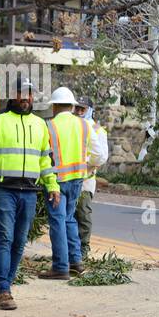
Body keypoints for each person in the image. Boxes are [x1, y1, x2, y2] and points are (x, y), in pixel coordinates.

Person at [0, 80, 61, 310]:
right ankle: (3, 290)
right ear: (13, 95)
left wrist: (53, 186)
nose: (25, 97)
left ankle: (7, 282)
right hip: (3, 190)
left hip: (29, 192)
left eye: (29, 93)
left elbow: (46, 161)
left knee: (19, 241)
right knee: (4, 238)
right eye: (21, 93)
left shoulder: (39, 124)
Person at [41, 86, 91, 279]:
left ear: (54, 107)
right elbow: (94, 154)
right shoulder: (85, 125)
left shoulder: (50, 126)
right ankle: (76, 262)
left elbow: (44, 155)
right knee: (69, 218)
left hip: (57, 180)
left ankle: (61, 267)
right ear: (71, 105)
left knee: (58, 221)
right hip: (77, 178)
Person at [73, 99, 109, 262]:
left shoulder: (96, 130)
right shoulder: (72, 125)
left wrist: (85, 162)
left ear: (90, 110)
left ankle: (83, 249)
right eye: (78, 108)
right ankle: (72, 249)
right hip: (69, 177)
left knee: (83, 214)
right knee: (70, 216)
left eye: (83, 109)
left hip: (86, 180)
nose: (80, 111)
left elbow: (101, 157)